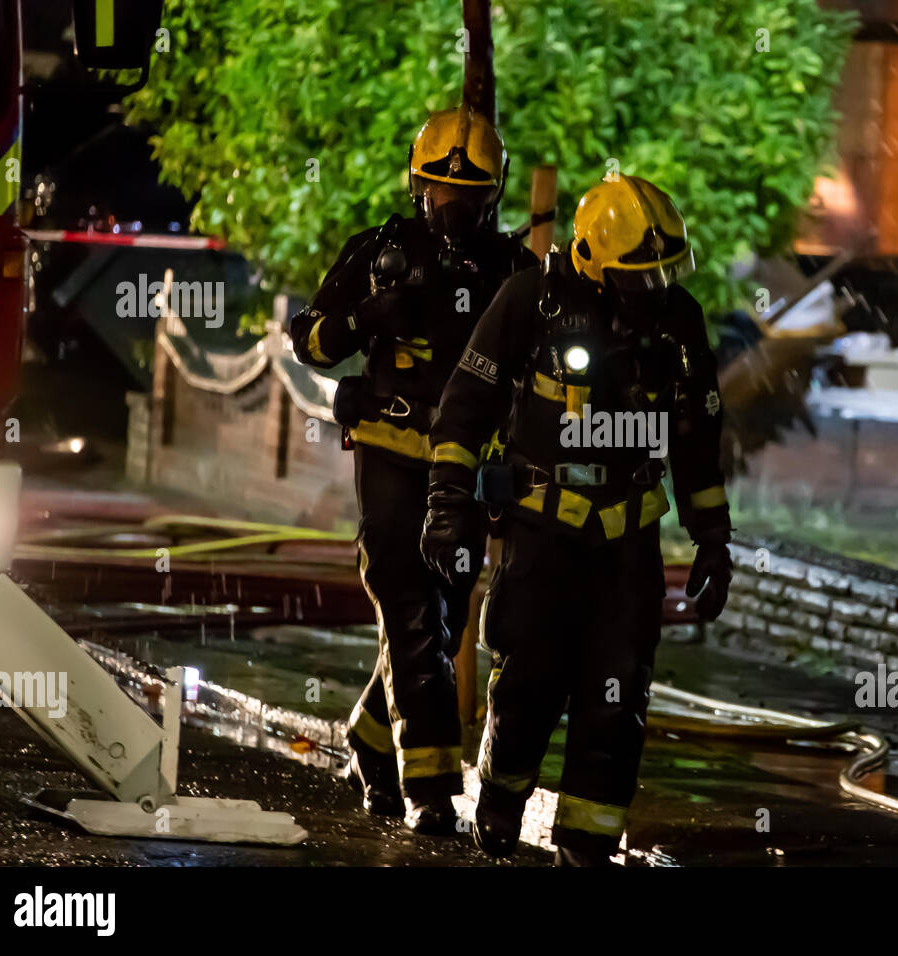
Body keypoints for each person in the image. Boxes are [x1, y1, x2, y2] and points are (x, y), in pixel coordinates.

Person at [420, 174, 732, 864]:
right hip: (541, 535)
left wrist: (713, 539)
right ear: (592, 261)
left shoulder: (679, 321)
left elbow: (696, 440)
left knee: (617, 699)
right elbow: (465, 405)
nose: (653, 294)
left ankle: (588, 843)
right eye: (636, 279)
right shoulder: (530, 300)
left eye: (661, 277)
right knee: (529, 680)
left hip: (629, 546)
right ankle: (500, 802)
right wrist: (446, 505)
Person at [289, 104, 535, 834]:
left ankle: (369, 739)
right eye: (439, 193)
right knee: (406, 603)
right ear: (415, 186)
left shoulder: (517, 274)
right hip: (391, 459)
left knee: (445, 616)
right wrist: (367, 316)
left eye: (469, 198)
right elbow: (312, 341)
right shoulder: (377, 251)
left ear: (494, 197)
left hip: (467, 475)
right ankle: (430, 786)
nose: (452, 209)